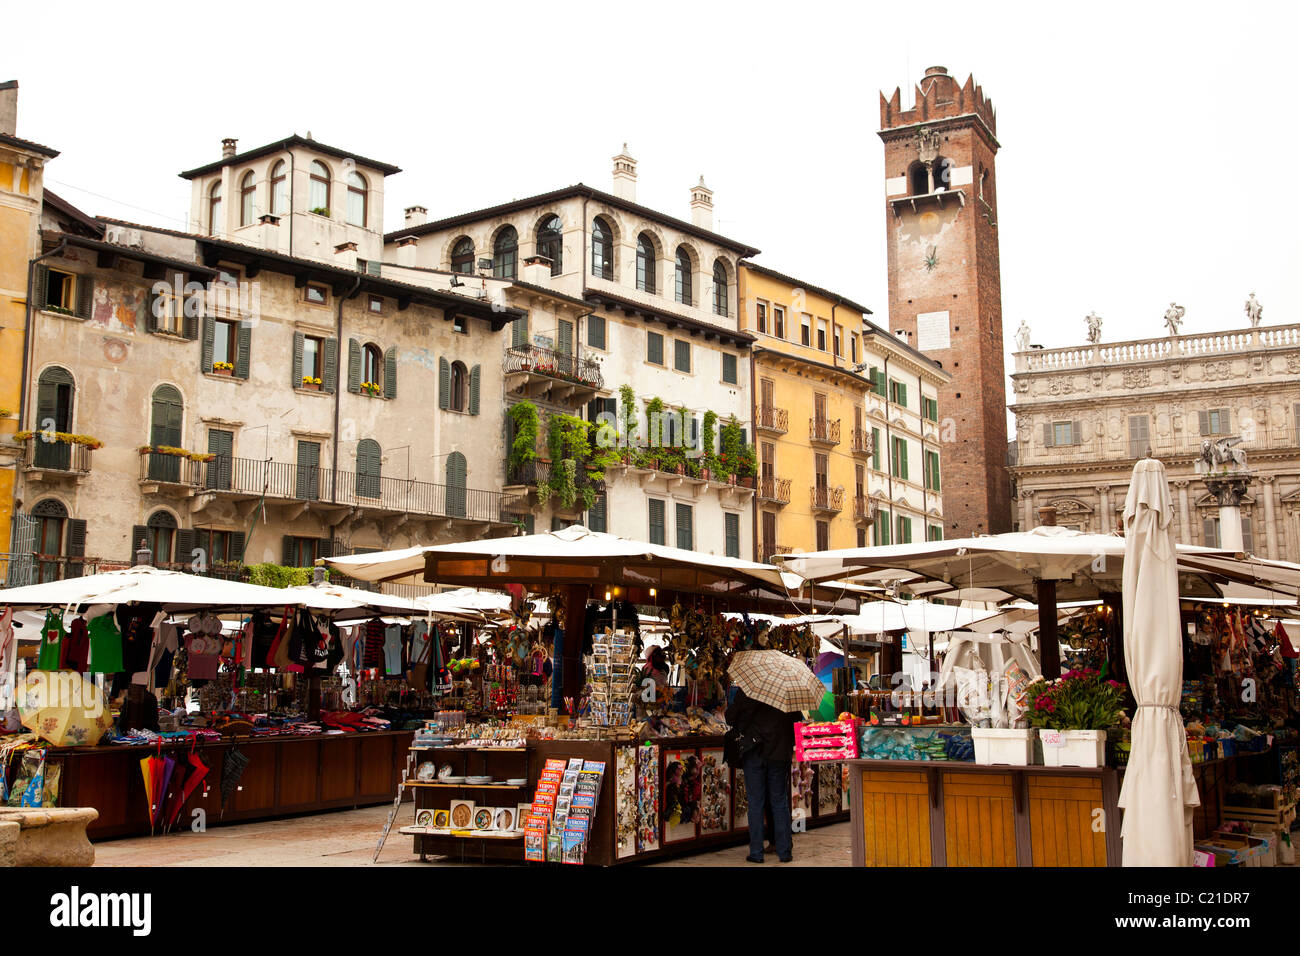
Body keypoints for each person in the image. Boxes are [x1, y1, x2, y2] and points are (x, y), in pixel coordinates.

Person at [725, 686, 800, 863]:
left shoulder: (750, 689)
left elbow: (730, 717)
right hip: (779, 753)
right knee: (779, 802)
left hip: (754, 751)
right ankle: (784, 851)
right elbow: (796, 722)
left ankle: (756, 852)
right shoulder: (788, 691)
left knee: (756, 803)